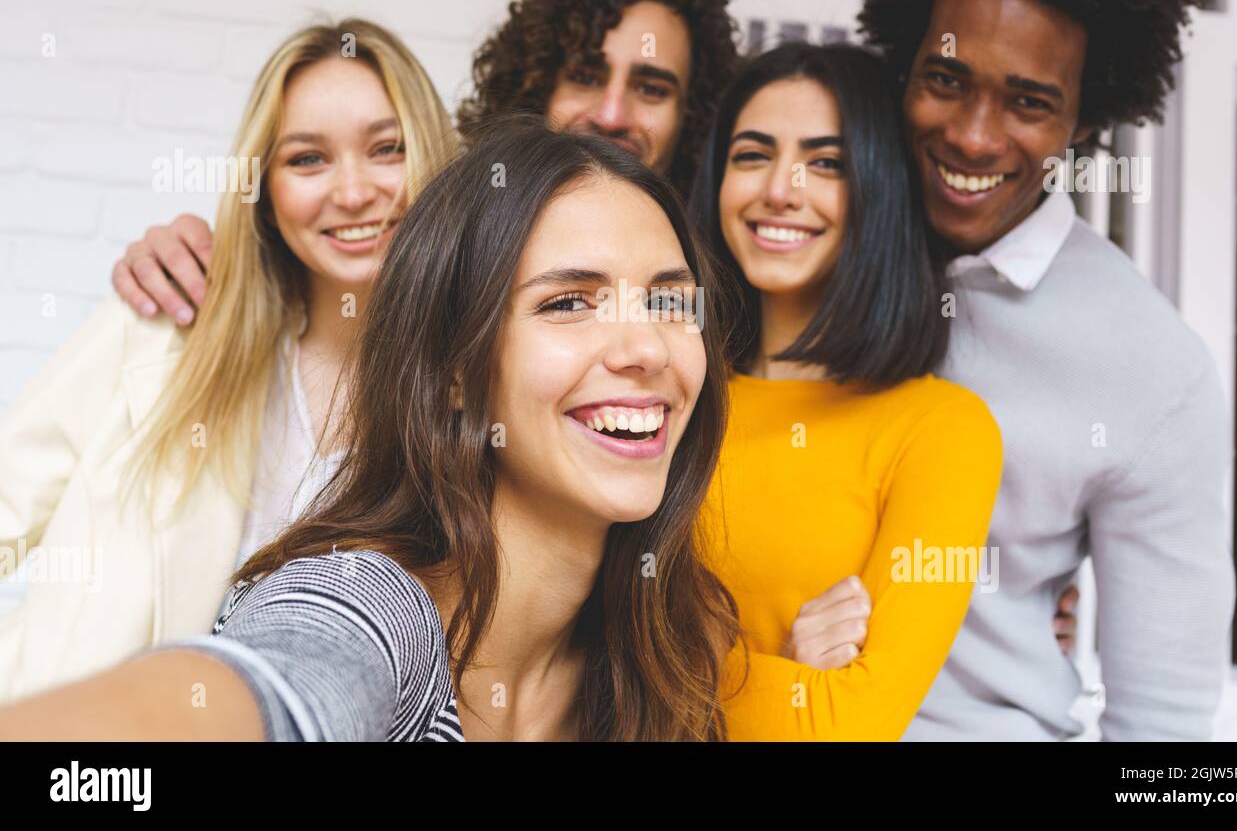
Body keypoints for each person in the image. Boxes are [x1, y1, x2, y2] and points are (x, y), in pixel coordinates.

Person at [0, 119, 741, 742]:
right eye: (569, 303)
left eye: (670, 304)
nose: (644, 348)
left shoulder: (679, 637)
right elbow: (285, 677)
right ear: (455, 371)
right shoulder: (370, 606)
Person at [858, 0, 1233, 740]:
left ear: (1085, 120)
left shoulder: (1153, 371)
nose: (975, 135)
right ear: (903, 66)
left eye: (1030, 102)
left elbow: (1165, 733)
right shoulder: (800, 252)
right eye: (946, 79)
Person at [0, 18, 459, 703]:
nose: (355, 191)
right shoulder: (161, 330)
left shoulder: (477, 390)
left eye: (387, 149)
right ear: (265, 193)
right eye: (308, 159)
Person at [108, 0, 740, 326]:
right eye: (584, 75)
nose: (611, 113)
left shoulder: (721, 276)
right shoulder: (455, 226)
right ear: (535, 85)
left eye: (651, 87)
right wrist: (188, 252)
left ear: (694, 117)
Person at [689, 43, 1002, 740]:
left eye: (826, 163)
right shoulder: (667, 392)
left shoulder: (942, 431)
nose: (780, 189)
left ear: (878, 189)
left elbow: (849, 724)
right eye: (751, 154)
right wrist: (781, 675)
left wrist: (676, 662)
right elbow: (555, 664)